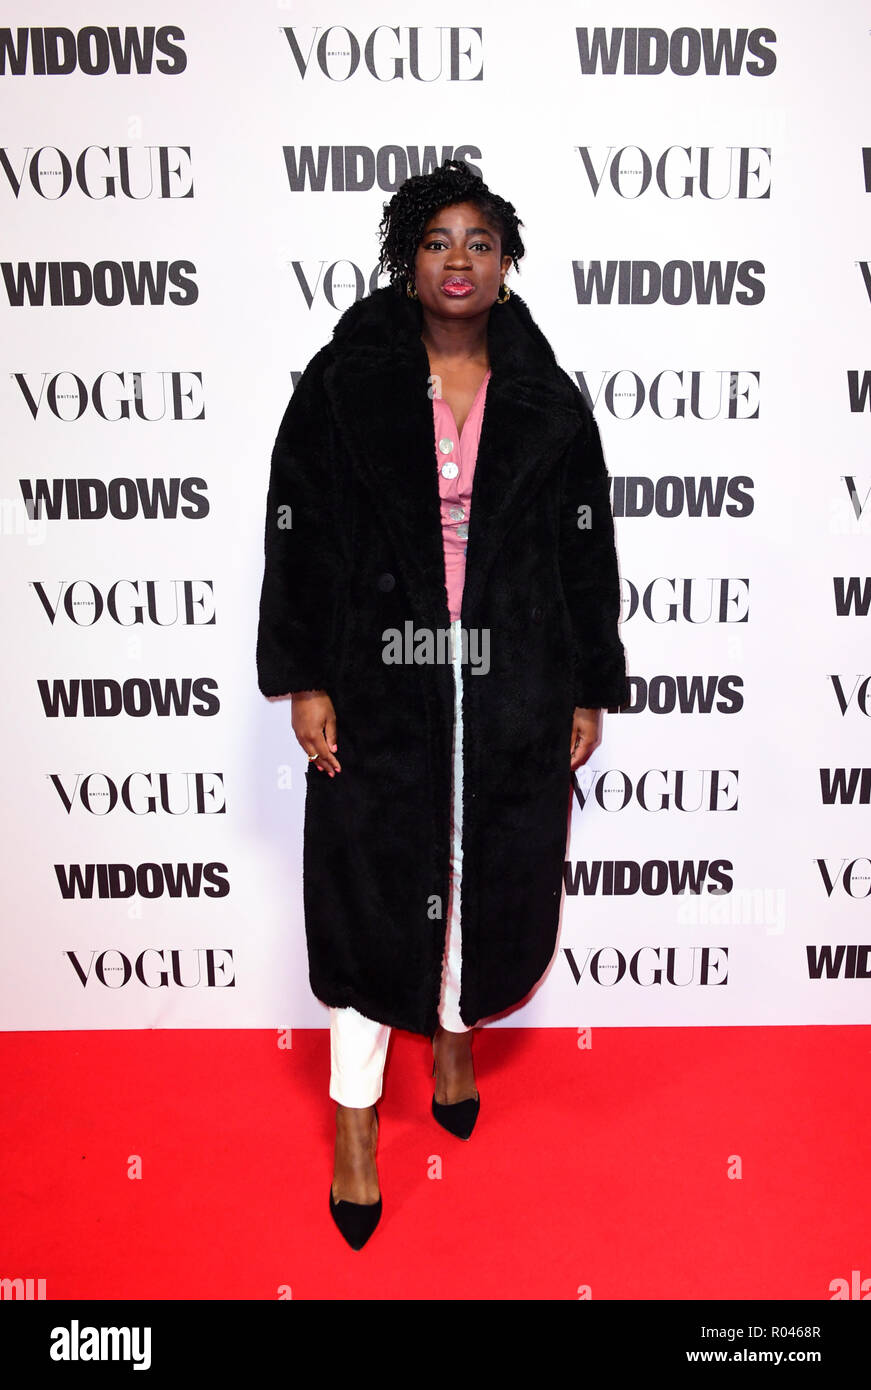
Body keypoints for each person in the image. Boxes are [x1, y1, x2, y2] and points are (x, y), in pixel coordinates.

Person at [256, 159, 629, 1249]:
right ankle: (357, 1122)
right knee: (372, 891)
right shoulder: (341, 386)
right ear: (404, 260)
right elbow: (298, 533)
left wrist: (587, 682)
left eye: (478, 241)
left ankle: (456, 1029)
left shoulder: (549, 400)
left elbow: (586, 555)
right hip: (381, 674)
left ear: (507, 264)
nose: (457, 259)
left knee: (484, 869)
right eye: (435, 241)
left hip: (510, 678)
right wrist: (308, 676)